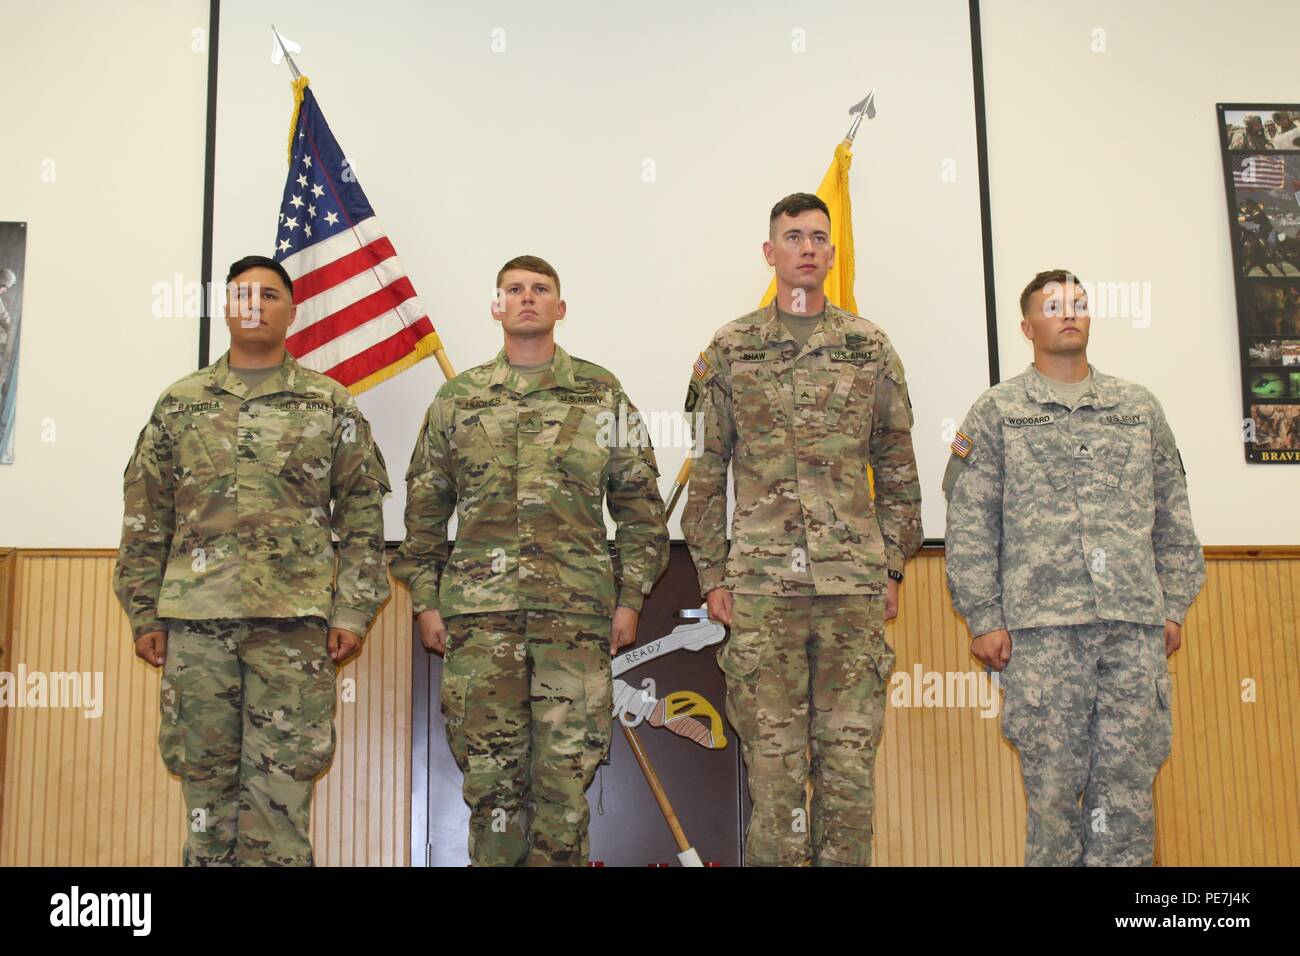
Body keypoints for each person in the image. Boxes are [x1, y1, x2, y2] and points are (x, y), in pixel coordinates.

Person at [113, 254, 391, 866]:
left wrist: (352, 612)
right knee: (204, 792)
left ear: (291, 312)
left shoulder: (329, 404)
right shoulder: (180, 403)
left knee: (281, 797)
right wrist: (144, 614)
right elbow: (145, 516)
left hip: (294, 628)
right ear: (225, 310)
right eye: (243, 295)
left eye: (270, 295)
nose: (256, 305)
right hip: (196, 627)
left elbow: (362, 517)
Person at [393, 254, 669, 866]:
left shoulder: (602, 394)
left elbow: (640, 507)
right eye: (514, 289)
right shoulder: (458, 400)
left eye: (540, 289)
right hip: (479, 624)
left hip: (575, 622)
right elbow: (424, 513)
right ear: (497, 306)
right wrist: (426, 603)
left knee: (565, 791)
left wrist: (630, 600)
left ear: (559, 307)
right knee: (491, 788)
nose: (526, 298)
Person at [682, 192, 922, 866]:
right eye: (793, 237)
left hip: (852, 591)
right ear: (771, 253)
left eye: (818, 237)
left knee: (848, 779)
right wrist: (713, 575)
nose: (807, 248)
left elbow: (897, 466)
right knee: (775, 779)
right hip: (763, 592)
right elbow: (707, 471)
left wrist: (892, 565)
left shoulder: (868, 347)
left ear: (832, 254)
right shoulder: (731, 349)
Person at [943, 269, 1205, 866]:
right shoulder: (997, 412)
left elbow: (1173, 513)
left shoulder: (1137, 408)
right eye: (1054, 305)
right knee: (1054, 800)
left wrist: (1171, 607)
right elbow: (970, 521)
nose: (1069, 313)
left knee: (1127, 798)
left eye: (1079, 304)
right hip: (1043, 636)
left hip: (1131, 631)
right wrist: (984, 617)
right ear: (1026, 326)